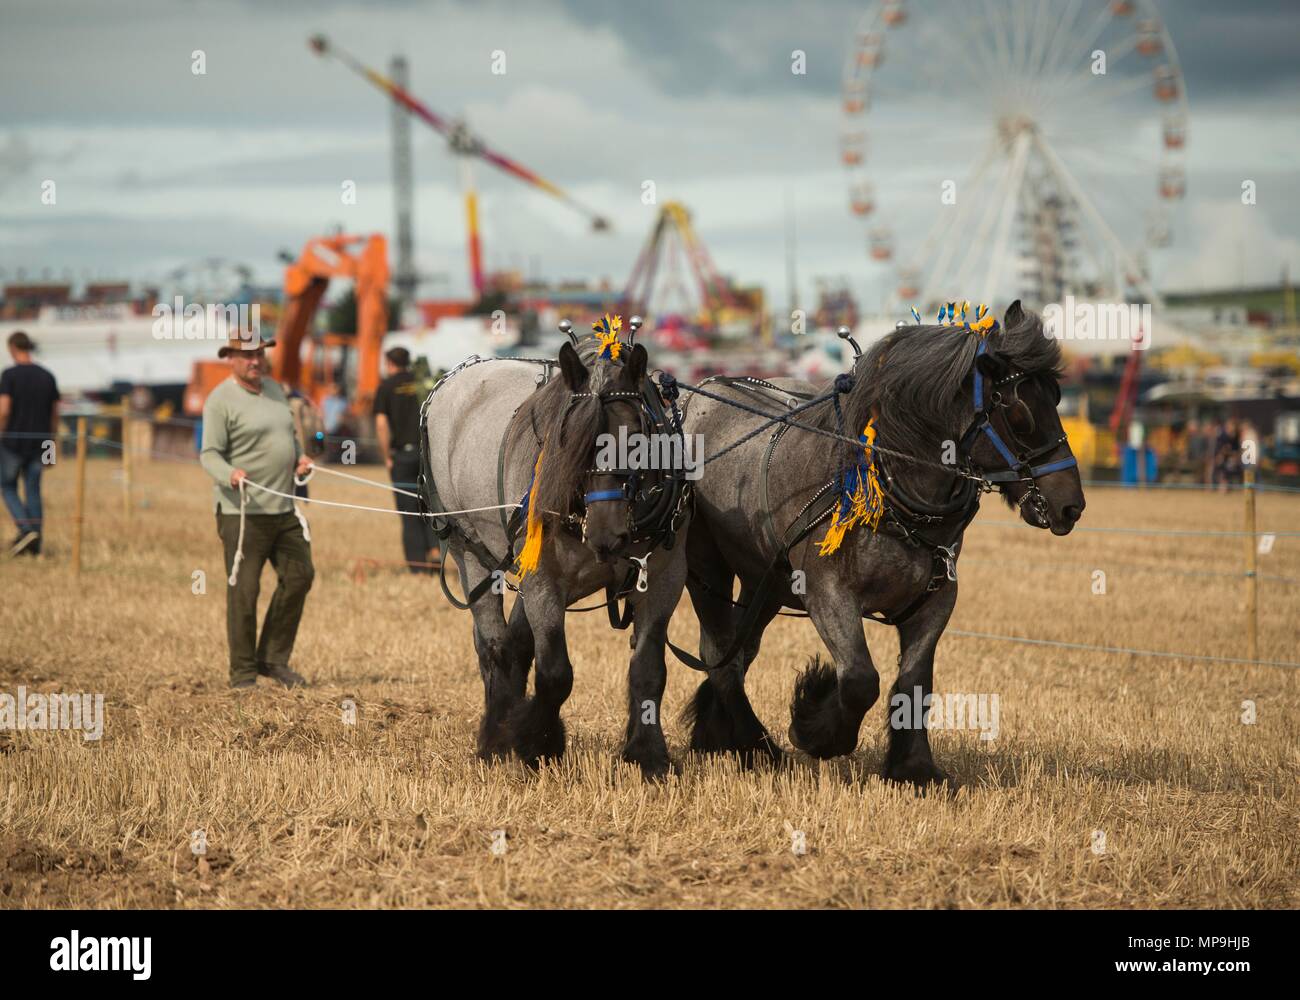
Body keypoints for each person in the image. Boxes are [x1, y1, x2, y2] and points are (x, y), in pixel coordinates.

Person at [200, 331, 314, 689]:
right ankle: (243, 674)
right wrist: (229, 473)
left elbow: (291, 438)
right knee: (244, 591)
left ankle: (273, 659)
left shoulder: (277, 390)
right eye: (247, 355)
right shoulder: (220, 401)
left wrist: (300, 459)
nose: (255, 361)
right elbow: (209, 455)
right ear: (230, 358)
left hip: (284, 508)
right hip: (242, 514)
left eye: (260, 354)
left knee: (300, 576)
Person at [373, 346, 436, 574]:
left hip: (402, 455)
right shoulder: (424, 384)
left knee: (409, 513)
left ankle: (418, 567)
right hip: (427, 455)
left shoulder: (386, 387)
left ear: (389, 363)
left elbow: (381, 424)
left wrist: (386, 455)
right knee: (430, 506)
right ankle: (436, 551)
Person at [0, 331, 60, 557]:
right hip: (41, 442)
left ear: (13, 348)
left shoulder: (9, 375)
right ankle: (36, 540)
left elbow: (4, 410)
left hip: (12, 443)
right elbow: (55, 416)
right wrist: (51, 450)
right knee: (33, 490)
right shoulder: (47, 376)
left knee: (6, 486)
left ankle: (26, 529)